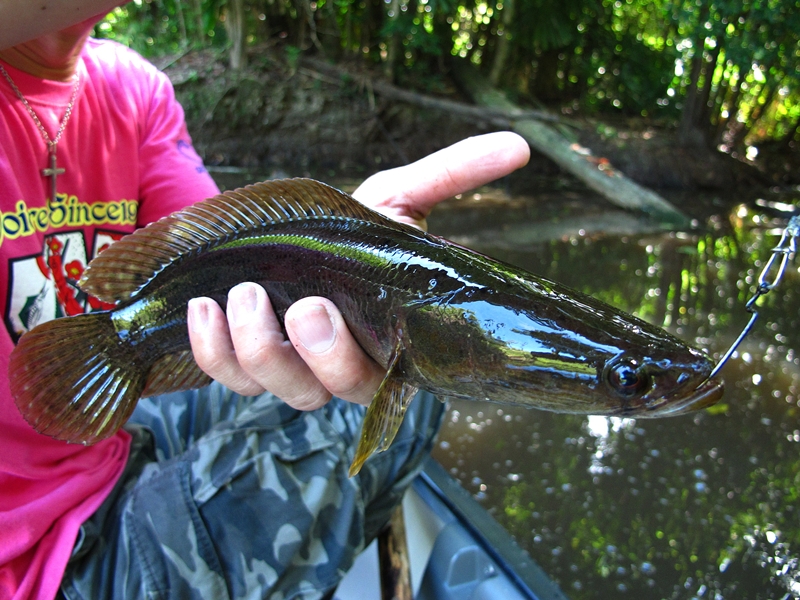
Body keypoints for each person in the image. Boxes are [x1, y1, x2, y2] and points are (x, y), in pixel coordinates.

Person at [0, 7, 531, 600]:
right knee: (404, 391)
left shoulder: (132, 86)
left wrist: (350, 255)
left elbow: (221, 243)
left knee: (408, 378)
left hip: (107, 447)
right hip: (38, 567)